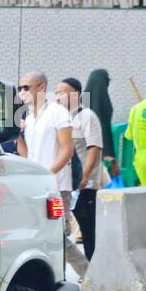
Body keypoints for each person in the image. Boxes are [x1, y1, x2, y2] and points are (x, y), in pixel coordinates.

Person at [56, 77, 105, 259]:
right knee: (63, 231)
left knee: (89, 231)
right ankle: (86, 270)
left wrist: (84, 177)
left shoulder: (87, 116)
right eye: (57, 92)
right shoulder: (61, 119)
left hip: (85, 186)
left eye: (62, 92)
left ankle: (95, 272)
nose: (58, 96)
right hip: (66, 185)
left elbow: (94, 148)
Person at [15, 71, 74, 211]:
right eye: (20, 89)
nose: (22, 92)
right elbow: (26, 155)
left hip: (56, 187)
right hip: (34, 186)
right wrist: (17, 134)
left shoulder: (58, 112)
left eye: (26, 88)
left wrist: (47, 175)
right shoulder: (29, 118)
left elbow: (68, 149)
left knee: (60, 230)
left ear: (41, 88)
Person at [85, 68, 119, 181]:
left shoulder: (82, 103)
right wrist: (113, 161)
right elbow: (105, 132)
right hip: (94, 157)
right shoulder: (102, 103)